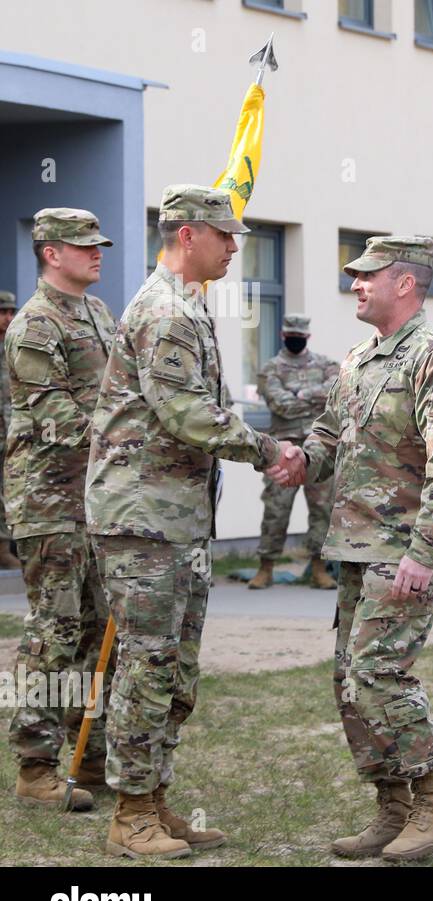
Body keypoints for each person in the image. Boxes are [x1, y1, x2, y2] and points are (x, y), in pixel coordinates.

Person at [86, 185, 291, 859]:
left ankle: (155, 797)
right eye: (225, 235)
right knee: (147, 665)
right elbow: (187, 416)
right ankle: (130, 814)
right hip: (142, 519)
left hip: (174, 520)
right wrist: (267, 449)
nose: (235, 246)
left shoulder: (189, 309)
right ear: (187, 236)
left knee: (176, 667)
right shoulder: (165, 313)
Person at [273, 235, 433, 862]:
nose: (356, 285)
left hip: (406, 548)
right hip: (356, 544)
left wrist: (426, 549)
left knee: (377, 673)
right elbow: (330, 434)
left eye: (368, 276)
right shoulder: (360, 359)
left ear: (406, 283)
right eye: (354, 277)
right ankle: (394, 805)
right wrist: (300, 460)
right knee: (349, 682)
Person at [6, 208, 116, 811]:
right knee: (55, 631)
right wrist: (129, 441)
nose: (97, 253)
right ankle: (36, 766)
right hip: (49, 501)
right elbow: (55, 418)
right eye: (84, 246)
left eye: (99, 244)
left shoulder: (97, 313)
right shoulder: (35, 325)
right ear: (51, 252)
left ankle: (89, 755)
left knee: (100, 631)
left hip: (95, 500)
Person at [250, 313, 339, 590]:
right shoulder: (270, 369)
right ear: (282, 335)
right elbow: (281, 404)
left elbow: (336, 390)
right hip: (282, 449)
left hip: (318, 448)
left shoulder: (326, 364)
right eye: (292, 336)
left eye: (300, 337)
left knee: (323, 509)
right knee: (276, 508)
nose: (296, 340)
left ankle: (319, 567)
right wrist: (314, 397)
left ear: (307, 337)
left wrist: (300, 393)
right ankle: (266, 566)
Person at [0, 289, 21, 570]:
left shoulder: (14, 348)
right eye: (2, 312)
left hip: (12, 434)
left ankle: (6, 546)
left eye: (9, 312)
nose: (7, 318)